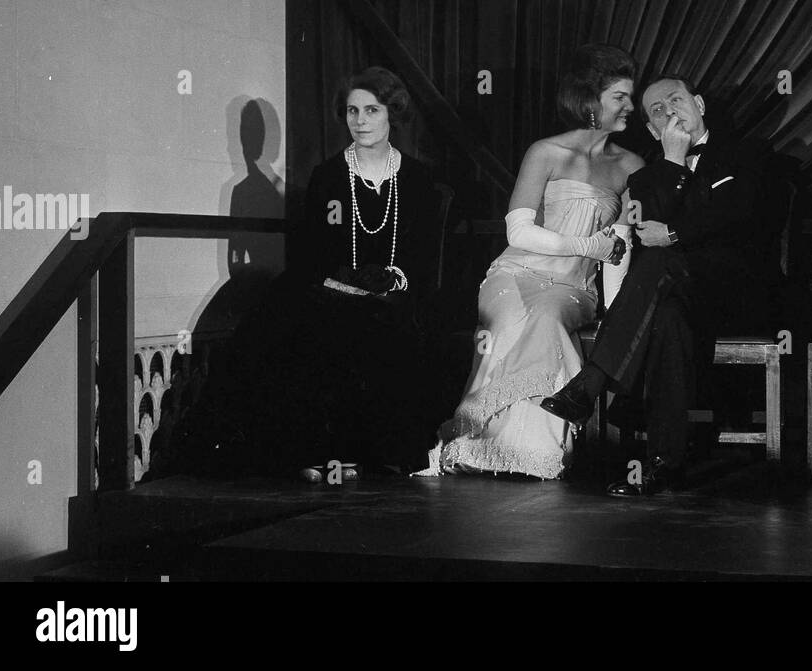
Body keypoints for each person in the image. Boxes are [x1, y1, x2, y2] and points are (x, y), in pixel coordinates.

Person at [155, 67, 443, 480]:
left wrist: (394, 278)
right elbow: (314, 254)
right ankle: (309, 453)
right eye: (352, 111)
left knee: (382, 327)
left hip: (397, 293)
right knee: (290, 325)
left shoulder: (416, 178)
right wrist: (346, 280)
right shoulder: (328, 175)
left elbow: (423, 254)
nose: (360, 121)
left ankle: (375, 452)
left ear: (391, 113)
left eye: (371, 110)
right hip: (336, 289)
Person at [541, 75, 774, 497]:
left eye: (676, 101)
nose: (670, 112)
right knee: (666, 317)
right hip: (677, 297)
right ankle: (664, 463)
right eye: (658, 111)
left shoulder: (748, 153)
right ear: (652, 130)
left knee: (663, 259)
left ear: (699, 104)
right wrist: (673, 162)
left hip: (737, 294)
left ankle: (591, 381)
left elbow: (742, 214)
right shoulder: (648, 177)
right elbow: (649, 227)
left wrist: (676, 234)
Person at [424, 44, 641, 479]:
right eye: (620, 96)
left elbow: (620, 248)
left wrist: (615, 312)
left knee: (545, 318)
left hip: (573, 290)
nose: (630, 107)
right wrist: (586, 244)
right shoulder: (545, 152)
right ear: (590, 100)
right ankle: (483, 446)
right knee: (514, 321)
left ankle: (532, 454)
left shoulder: (630, 165)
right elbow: (518, 232)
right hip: (514, 274)